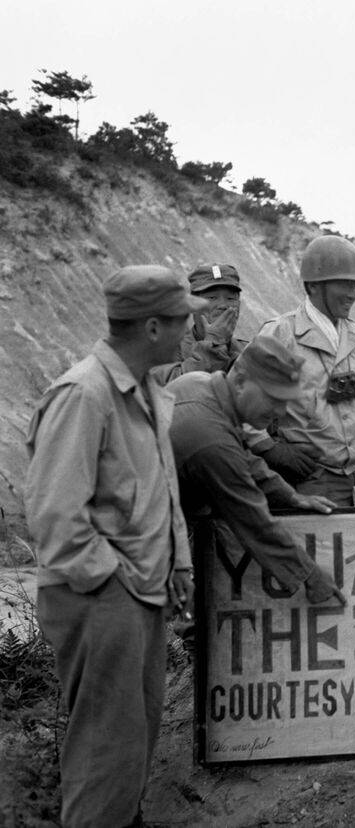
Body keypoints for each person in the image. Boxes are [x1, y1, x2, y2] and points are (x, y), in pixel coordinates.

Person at [24, 265, 203, 827]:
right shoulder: (85, 394)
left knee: (132, 749)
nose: (188, 331)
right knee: (106, 756)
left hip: (135, 596)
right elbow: (56, 517)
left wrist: (176, 563)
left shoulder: (146, 391)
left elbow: (159, 491)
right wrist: (119, 586)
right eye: (181, 321)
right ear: (152, 327)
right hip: (101, 598)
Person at [168, 335, 343, 606]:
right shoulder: (209, 436)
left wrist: (290, 496)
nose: (281, 412)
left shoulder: (201, 384)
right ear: (239, 382)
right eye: (274, 399)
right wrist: (310, 574)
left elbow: (241, 457)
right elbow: (251, 517)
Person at [249, 235, 355, 505]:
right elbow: (240, 406)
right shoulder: (282, 333)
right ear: (313, 286)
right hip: (315, 476)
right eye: (345, 284)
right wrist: (269, 448)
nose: (354, 293)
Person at [153, 263, 247, 381]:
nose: (223, 305)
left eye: (230, 299)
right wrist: (214, 344)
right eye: (212, 298)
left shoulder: (248, 352)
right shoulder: (167, 350)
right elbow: (177, 388)